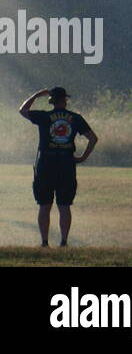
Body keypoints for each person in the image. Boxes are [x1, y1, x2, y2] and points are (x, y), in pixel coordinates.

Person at [18, 87, 97, 248]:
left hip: (46, 165)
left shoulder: (44, 116)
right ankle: (64, 242)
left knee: (44, 205)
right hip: (67, 164)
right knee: (64, 205)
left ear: (51, 100)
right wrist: (82, 157)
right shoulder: (75, 118)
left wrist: (36, 94)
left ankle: (45, 242)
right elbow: (93, 139)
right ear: (65, 100)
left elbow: (23, 110)